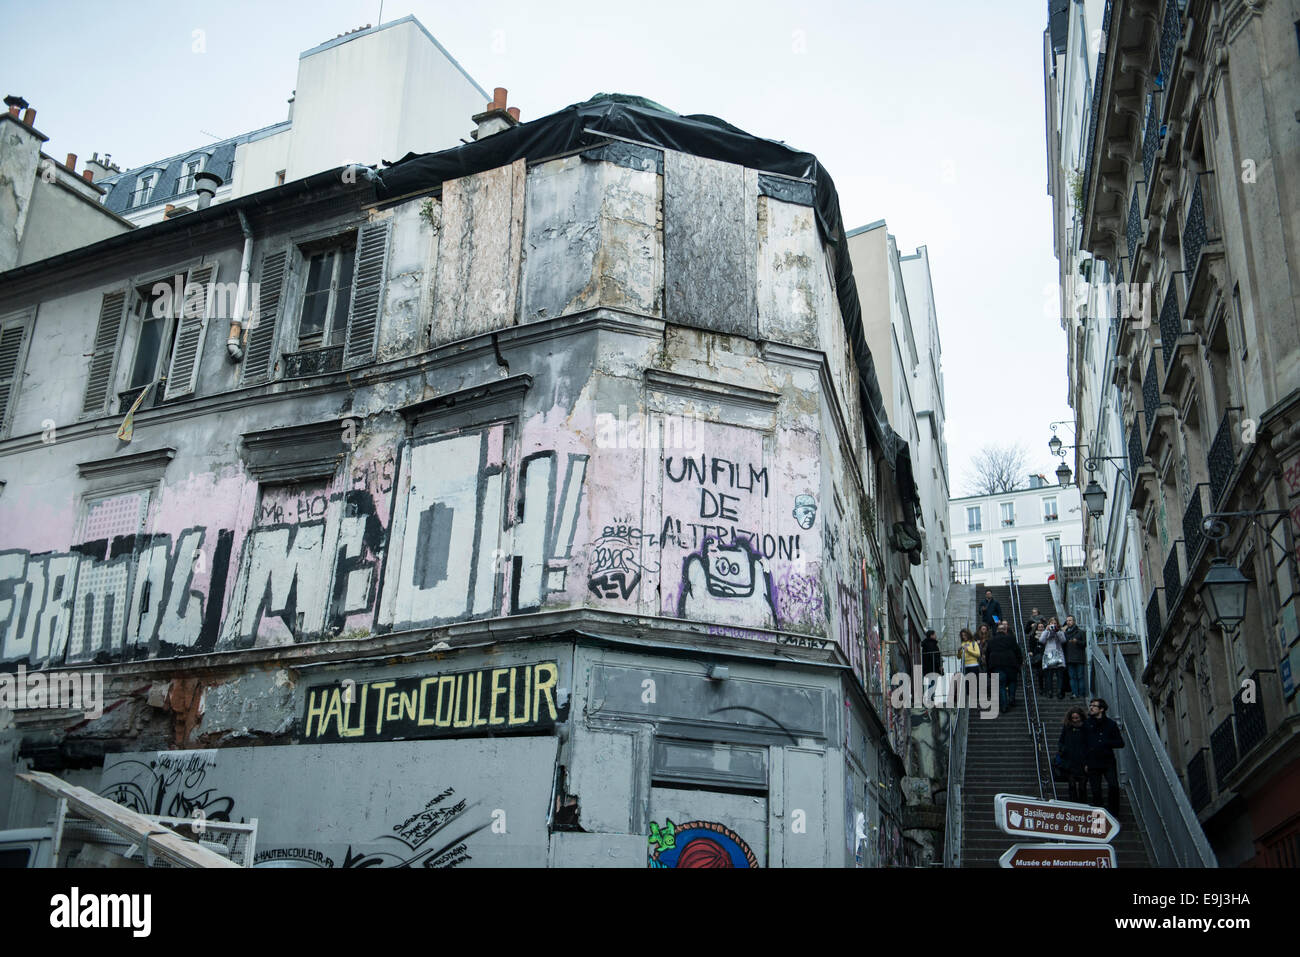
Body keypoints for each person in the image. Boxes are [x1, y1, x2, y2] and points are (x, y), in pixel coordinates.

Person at [1084, 698, 1124, 811]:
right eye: (1090, 705)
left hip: (1107, 761)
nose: (1091, 707)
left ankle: (1114, 814)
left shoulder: (1111, 724)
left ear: (1101, 709)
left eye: (1094, 706)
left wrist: (1104, 742)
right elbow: (1083, 744)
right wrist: (1085, 762)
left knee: (1113, 786)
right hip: (1092, 761)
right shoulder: (1087, 724)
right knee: (1096, 791)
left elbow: (1120, 743)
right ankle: (1099, 820)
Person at [986, 621, 1023, 713]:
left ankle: (1004, 705)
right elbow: (1018, 651)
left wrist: (989, 668)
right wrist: (1019, 662)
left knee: (1001, 685)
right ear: (1005, 630)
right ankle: (1011, 698)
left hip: (996, 665)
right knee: (1012, 681)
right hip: (1010, 664)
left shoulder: (991, 640)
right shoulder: (1011, 639)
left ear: (997, 630)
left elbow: (987, 654)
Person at [1057, 707, 1088, 802]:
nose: (1075, 720)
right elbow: (1061, 741)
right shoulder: (1067, 728)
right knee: (1072, 785)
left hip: (1082, 761)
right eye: (1073, 718)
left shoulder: (1086, 729)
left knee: (1082, 786)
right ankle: (1074, 804)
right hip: (1070, 761)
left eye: (1077, 718)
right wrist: (1063, 750)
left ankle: (1083, 804)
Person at [1063, 616, 1088, 699]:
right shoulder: (1065, 633)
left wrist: (1077, 642)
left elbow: (1084, 644)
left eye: (1070, 620)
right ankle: (1074, 693)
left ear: (1074, 621)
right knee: (1072, 677)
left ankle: (1081, 693)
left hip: (1079, 657)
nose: (1068, 622)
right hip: (1069, 658)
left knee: (1080, 676)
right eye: (1067, 621)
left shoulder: (1080, 632)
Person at [1041, 619, 1066, 698]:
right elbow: (1041, 640)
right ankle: (1049, 691)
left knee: (1060, 676)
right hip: (1049, 655)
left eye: (1055, 623)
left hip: (1058, 655)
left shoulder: (1059, 631)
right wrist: (1046, 630)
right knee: (1048, 676)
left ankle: (1059, 692)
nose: (1053, 625)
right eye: (1052, 623)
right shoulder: (1046, 631)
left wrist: (1057, 631)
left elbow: (1063, 640)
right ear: (1049, 624)